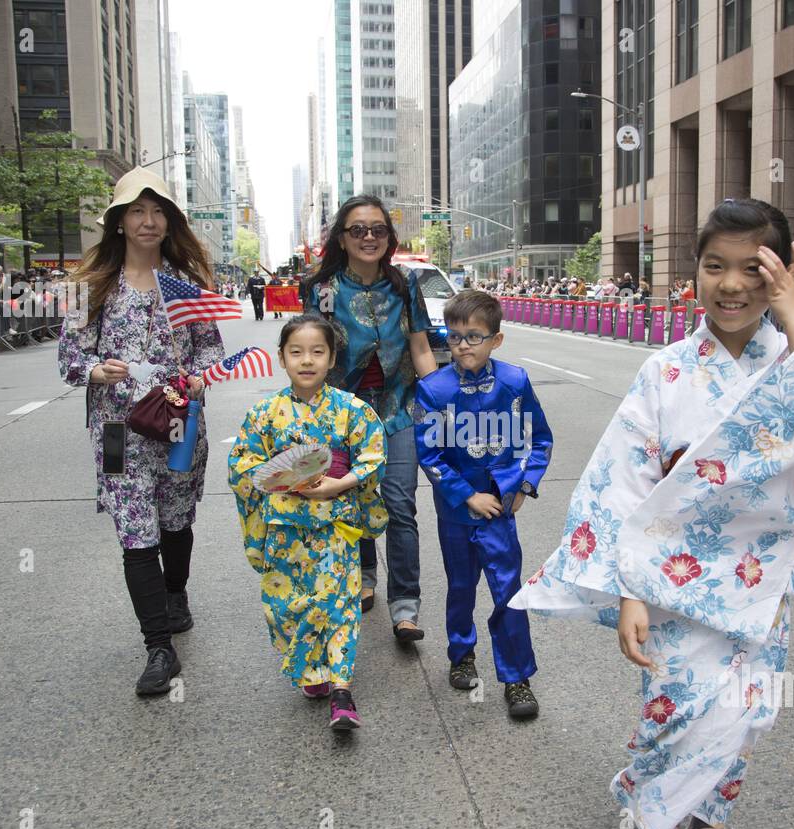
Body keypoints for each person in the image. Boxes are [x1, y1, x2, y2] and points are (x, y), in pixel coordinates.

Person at [510, 198, 794, 829]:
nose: (732, 284)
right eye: (715, 266)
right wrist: (628, 590)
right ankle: (649, 793)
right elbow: (620, 482)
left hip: (756, 576)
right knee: (673, 706)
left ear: (782, 275)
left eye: (752, 269)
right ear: (696, 272)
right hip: (670, 579)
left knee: (743, 710)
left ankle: (710, 818)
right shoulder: (666, 371)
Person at [58, 167, 226, 696]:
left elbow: (211, 348)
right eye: (137, 211)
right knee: (136, 532)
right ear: (119, 222)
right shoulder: (87, 288)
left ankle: (175, 595)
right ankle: (158, 647)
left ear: (169, 222)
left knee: (176, 518)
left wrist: (200, 378)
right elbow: (68, 358)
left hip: (176, 418)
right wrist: (96, 370)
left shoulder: (185, 286)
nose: (148, 221)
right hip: (115, 428)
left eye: (157, 212)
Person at [228, 314, 388, 731]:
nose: (307, 360)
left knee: (339, 606)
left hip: (336, 525)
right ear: (282, 358)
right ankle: (312, 670)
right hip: (286, 527)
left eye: (318, 351)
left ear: (333, 358)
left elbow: (373, 456)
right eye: (296, 352)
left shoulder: (352, 409)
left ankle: (342, 691)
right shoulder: (265, 412)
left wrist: (340, 482)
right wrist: (285, 477)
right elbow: (243, 463)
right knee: (288, 606)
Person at [301, 194, 437, 641]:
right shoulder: (321, 289)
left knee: (400, 503)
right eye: (358, 229)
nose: (368, 237)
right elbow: (311, 348)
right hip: (342, 416)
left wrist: (440, 401)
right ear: (342, 237)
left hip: (399, 409)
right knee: (355, 499)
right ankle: (363, 576)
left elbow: (419, 347)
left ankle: (405, 606)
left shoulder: (405, 285)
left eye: (378, 229)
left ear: (389, 237)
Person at [413, 290, 553, 719]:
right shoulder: (432, 390)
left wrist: (524, 487)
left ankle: (516, 678)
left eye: (474, 337)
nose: (463, 346)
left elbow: (541, 439)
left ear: (497, 339)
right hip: (456, 511)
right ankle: (461, 653)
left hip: (500, 511)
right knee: (460, 587)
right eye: (454, 337)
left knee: (508, 591)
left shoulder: (515, 381)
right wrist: (466, 494)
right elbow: (429, 454)